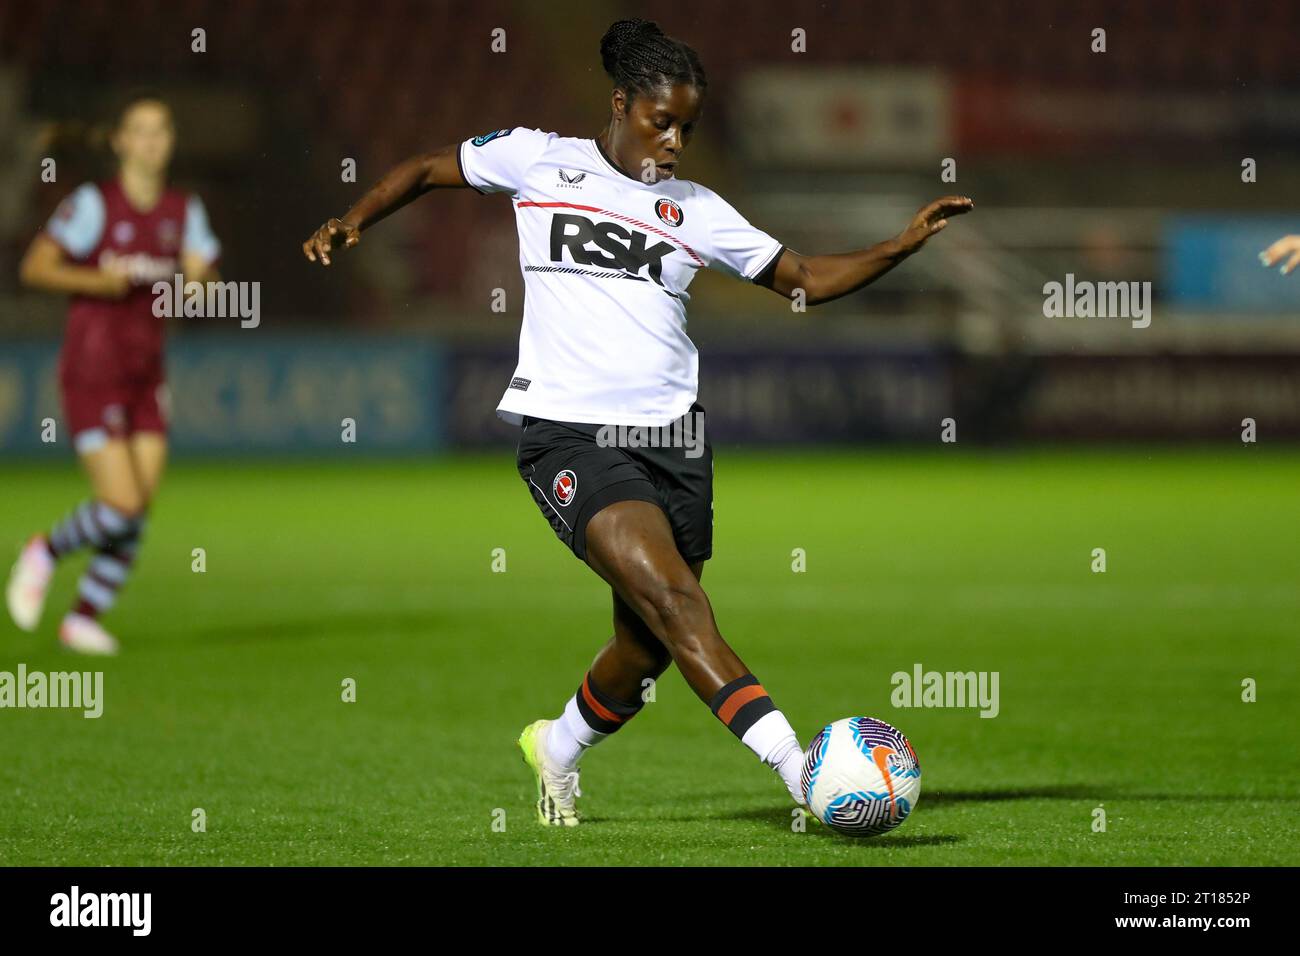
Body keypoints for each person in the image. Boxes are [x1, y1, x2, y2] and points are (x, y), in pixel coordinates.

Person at [301, 18, 971, 826]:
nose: (677, 140)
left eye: (688, 126)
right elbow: (424, 169)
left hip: (676, 441)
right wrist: (353, 219)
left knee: (645, 647)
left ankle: (555, 747)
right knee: (681, 605)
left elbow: (804, 277)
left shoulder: (699, 210)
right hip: (567, 435)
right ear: (619, 104)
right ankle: (805, 774)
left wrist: (898, 246)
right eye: (663, 120)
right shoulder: (537, 156)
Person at [6, 94, 221, 655]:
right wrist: (95, 281)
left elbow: (205, 274)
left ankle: (82, 618)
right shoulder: (95, 206)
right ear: (122, 142)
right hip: (93, 369)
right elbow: (35, 266)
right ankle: (44, 551)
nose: (152, 141)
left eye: (162, 130)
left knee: (137, 506)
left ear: (171, 141)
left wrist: (202, 286)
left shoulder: (183, 211)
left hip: (147, 373)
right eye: (140, 131)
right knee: (120, 504)